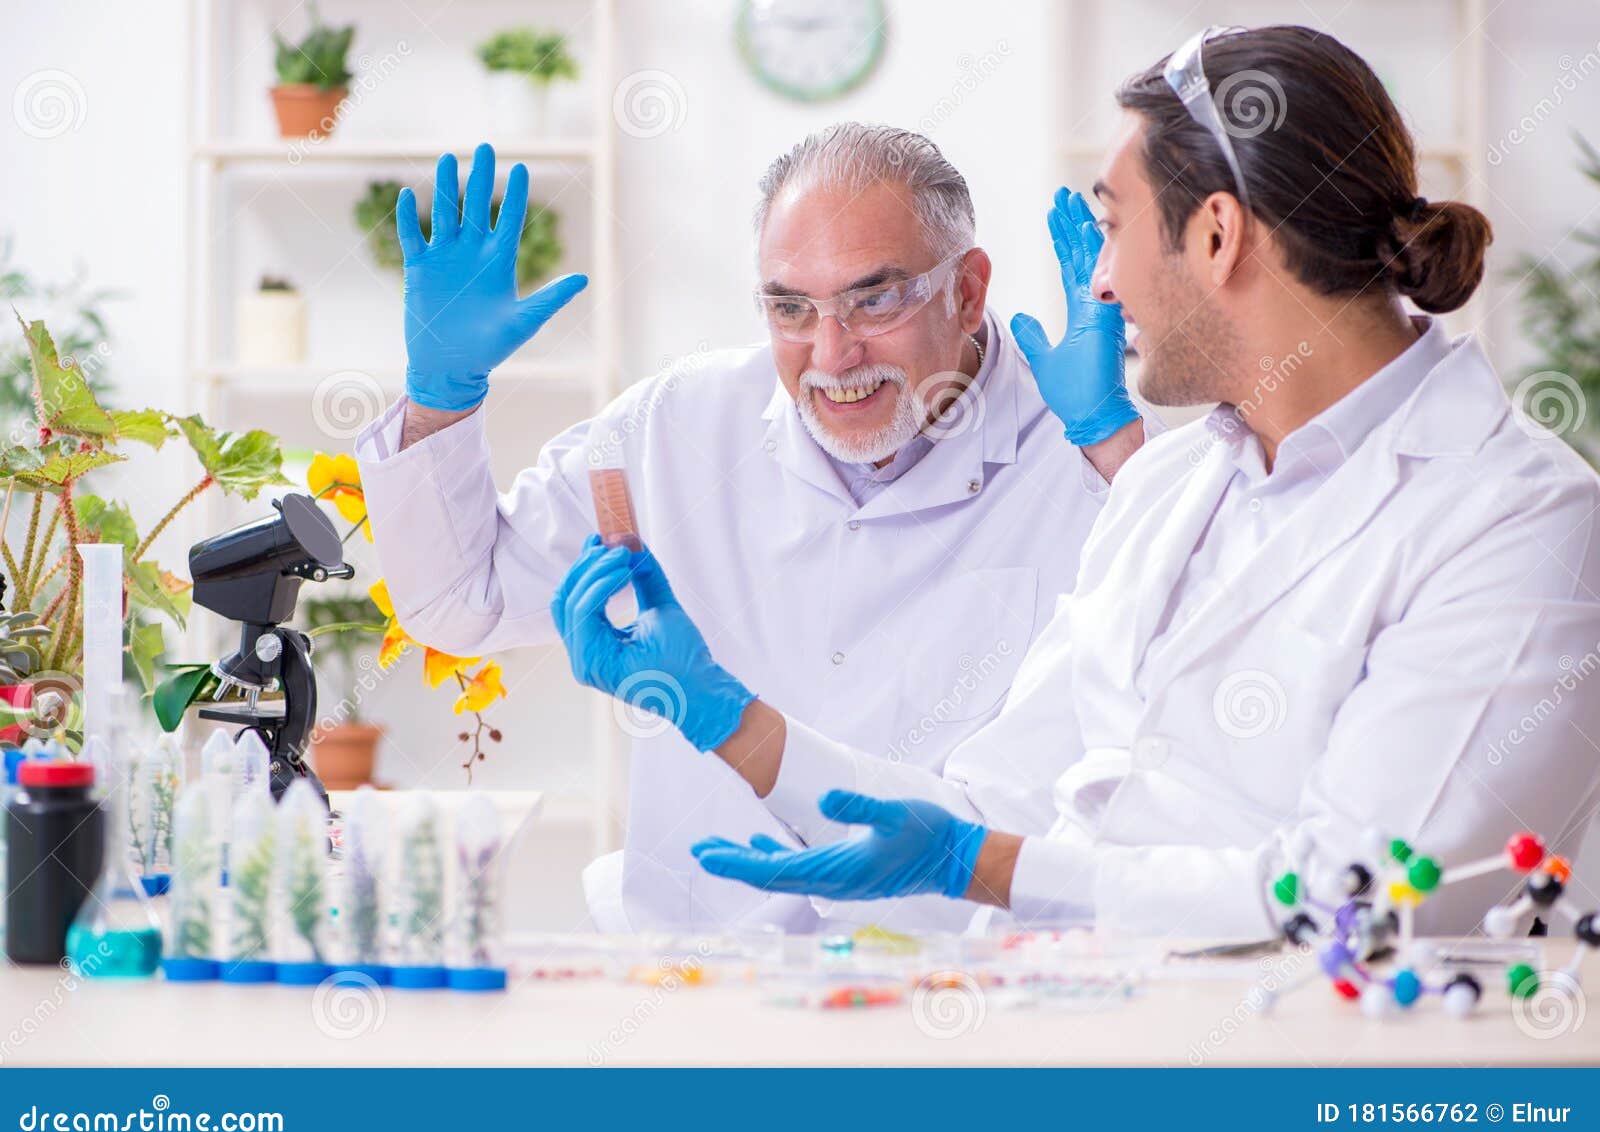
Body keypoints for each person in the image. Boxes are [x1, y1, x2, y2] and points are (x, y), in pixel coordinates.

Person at [555, 26, 1600, 936]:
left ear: (1218, 235)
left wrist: (988, 869)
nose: (1097, 282)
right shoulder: (1173, 488)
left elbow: (1365, 897)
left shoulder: (1516, 518)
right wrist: (734, 724)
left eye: (1110, 224)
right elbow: (991, 813)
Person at [355, 124, 1149, 933]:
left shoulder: (1096, 467)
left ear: (969, 292)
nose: (833, 355)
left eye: (873, 299)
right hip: (696, 978)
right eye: (791, 308)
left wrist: (1122, 457)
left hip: (947, 994)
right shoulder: (676, 427)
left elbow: (1125, 761)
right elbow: (458, 601)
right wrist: (441, 397)